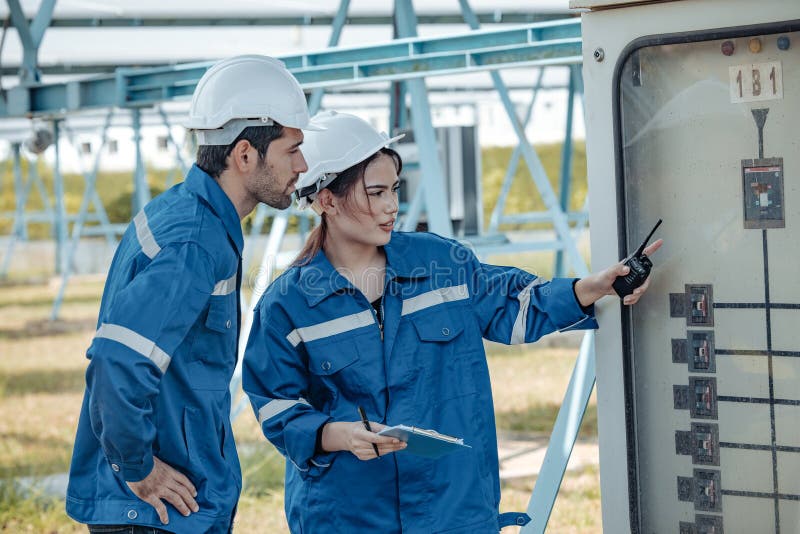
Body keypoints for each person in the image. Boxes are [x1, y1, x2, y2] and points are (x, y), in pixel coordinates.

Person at [242, 111, 662, 533]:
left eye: (394, 190)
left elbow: (513, 303)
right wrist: (338, 434)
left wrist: (591, 288)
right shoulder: (289, 304)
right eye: (375, 193)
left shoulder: (442, 264)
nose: (392, 206)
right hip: (346, 515)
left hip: (451, 508)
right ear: (326, 201)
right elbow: (275, 404)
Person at [66, 55, 320, 533]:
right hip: (155, 516)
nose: (303, 166)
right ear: (245, 155)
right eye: (292, 150)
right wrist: (138, 470)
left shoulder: (190, 217)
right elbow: (117, 361)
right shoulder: (193, 241)